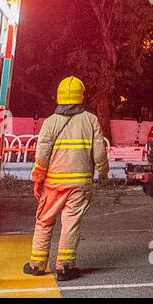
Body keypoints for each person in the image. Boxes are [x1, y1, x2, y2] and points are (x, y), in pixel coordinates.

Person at [25, 76, 109, 281]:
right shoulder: (91, 120)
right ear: (81, 96)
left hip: (53, 184)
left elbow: (42, 155)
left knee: (44, 222)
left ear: (59, 96)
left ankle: (37, 264)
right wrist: (103, 172)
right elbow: (99, 153)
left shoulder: (50, 122)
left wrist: (38, 179)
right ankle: (65, 267)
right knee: (71, 223)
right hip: (80, 185)